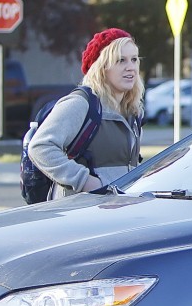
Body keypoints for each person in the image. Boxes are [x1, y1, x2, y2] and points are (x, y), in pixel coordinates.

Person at [29, 28, 143, 200]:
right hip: (80, 212)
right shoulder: (81, 104)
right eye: (121, 60)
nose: (131, 67)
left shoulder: (132, 111)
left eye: (134, 60)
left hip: (117, 207)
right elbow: (40, 147)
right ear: (102, 67)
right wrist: (86, 182)